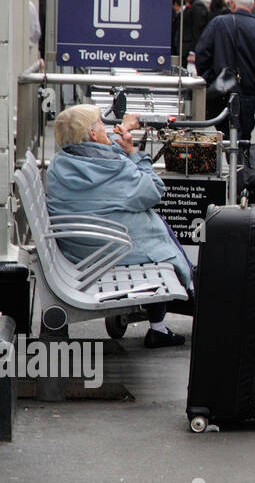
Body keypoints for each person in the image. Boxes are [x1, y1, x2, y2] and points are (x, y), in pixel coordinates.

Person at [44, 105, 190, 347]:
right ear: (92, 134)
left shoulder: (60, 164)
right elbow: (154, 190)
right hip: (113, 250)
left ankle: (160, 322)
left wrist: (125, 127)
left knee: (150, 225)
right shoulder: (113, 168)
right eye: (102, 125)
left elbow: (98, 148)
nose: (106, 129)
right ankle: (161, 326)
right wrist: (133, 152)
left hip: (78, 250)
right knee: (155, 230)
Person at [193, 0, 255, 143]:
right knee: (243, 137)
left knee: (226, 135)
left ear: (232, 4)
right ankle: (239, 165)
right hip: (249, 94)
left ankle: (232, 162)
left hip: (221, 91)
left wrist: (210, 79)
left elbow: (202, 53)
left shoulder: (218, 24)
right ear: (252, 5)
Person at [178, 0, 209, 67]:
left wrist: (193, 52)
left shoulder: (197, 7)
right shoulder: (190, 5)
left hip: (190, 52)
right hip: (185, 50)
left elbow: (198, 31)